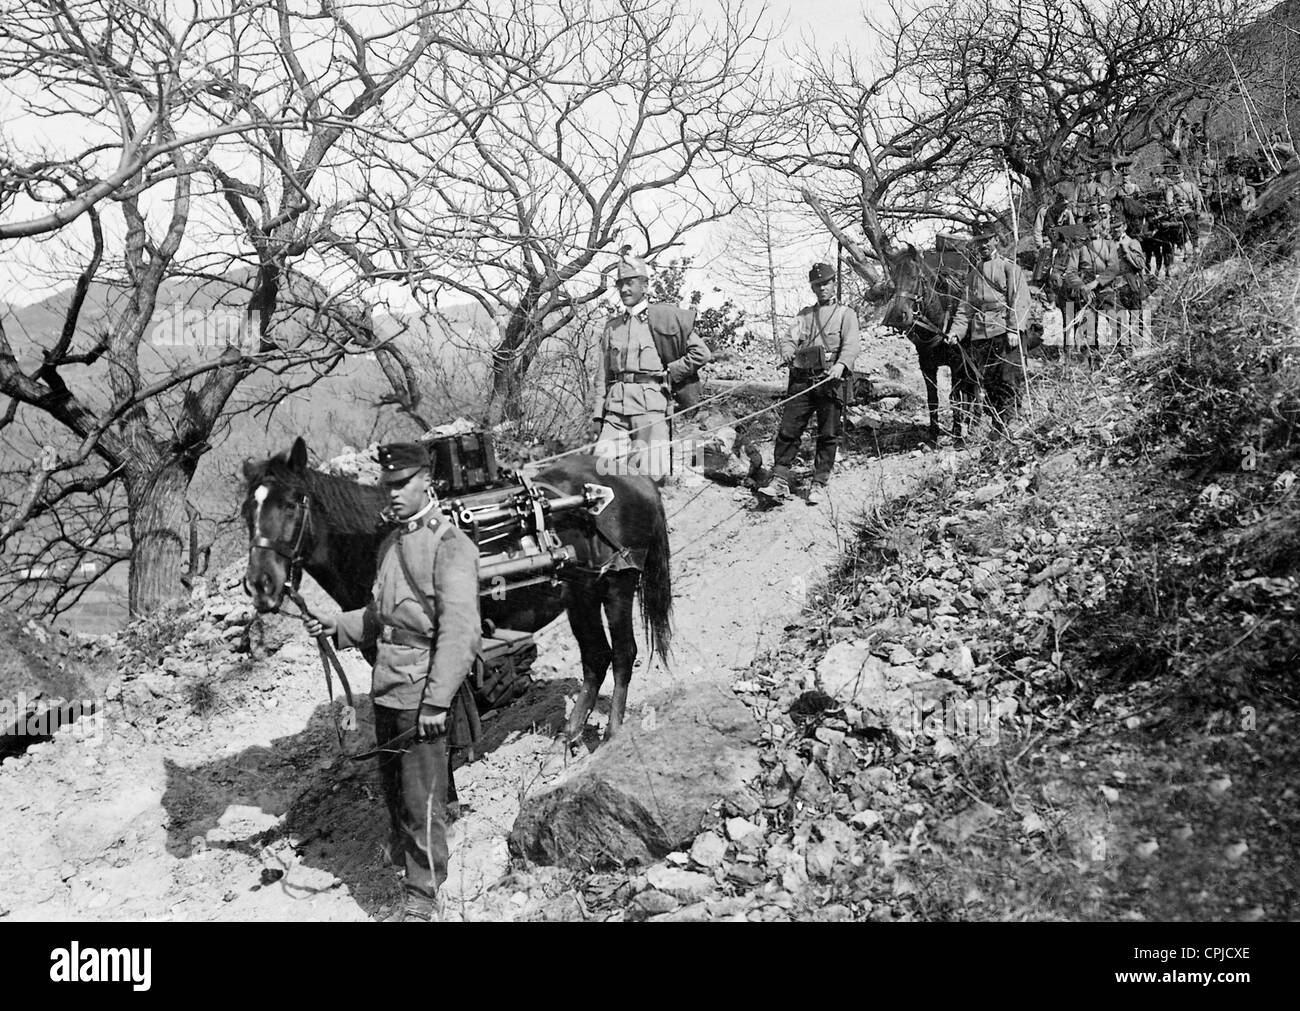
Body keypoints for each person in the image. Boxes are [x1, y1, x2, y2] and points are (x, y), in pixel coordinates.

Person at [302, 442, 481, 922]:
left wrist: (437, 703)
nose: (395, 492)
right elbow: (382, 617)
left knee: (423, 799)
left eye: (402, 483)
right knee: (394, 790)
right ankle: (407, 865)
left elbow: (460, 633)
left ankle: (423, 897)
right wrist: (337, 626)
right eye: (388, 485)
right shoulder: (390, 544)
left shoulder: (450, 546)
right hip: (387, 687)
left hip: (422, 689)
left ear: (427, 480)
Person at [591, 254, 711, 482]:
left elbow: (701, 353)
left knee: (651, 479)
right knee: (601, 476)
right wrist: (598, 415)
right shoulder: (612, 327)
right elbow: (602, 376)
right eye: (620, 284)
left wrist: (671, 373)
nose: (624, 289)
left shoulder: (664, 320)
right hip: (615, 413)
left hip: (650, 411)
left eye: (630, 283)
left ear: (645, 286)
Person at [758, 262, 859, 505]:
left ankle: (820, 482)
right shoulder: (803, 315)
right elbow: (789, 339)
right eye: (817, 285)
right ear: (812, 288)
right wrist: (787, 351)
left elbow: (852, 345)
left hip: (831, 380)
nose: (822, 288)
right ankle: (780, 479)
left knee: (828, 433)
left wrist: (841, 365)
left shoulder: (846, 314)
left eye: (826, 283)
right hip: (802, 380)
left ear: (834, 284)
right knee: (788, 430)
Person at [946, 221, 1031, 437]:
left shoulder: (1009, 267)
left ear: (994, 240)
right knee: (989, 382)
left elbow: (1019, 300)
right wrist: (956, 331)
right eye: (978, 242)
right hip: (981, 334)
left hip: (1004, 331)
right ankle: (998, 424)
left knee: (1007, 379)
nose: (983, 245)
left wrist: (1014, 330)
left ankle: (1010, 421)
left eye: (986, 240)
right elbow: (965, 308)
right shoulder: (973, 274)